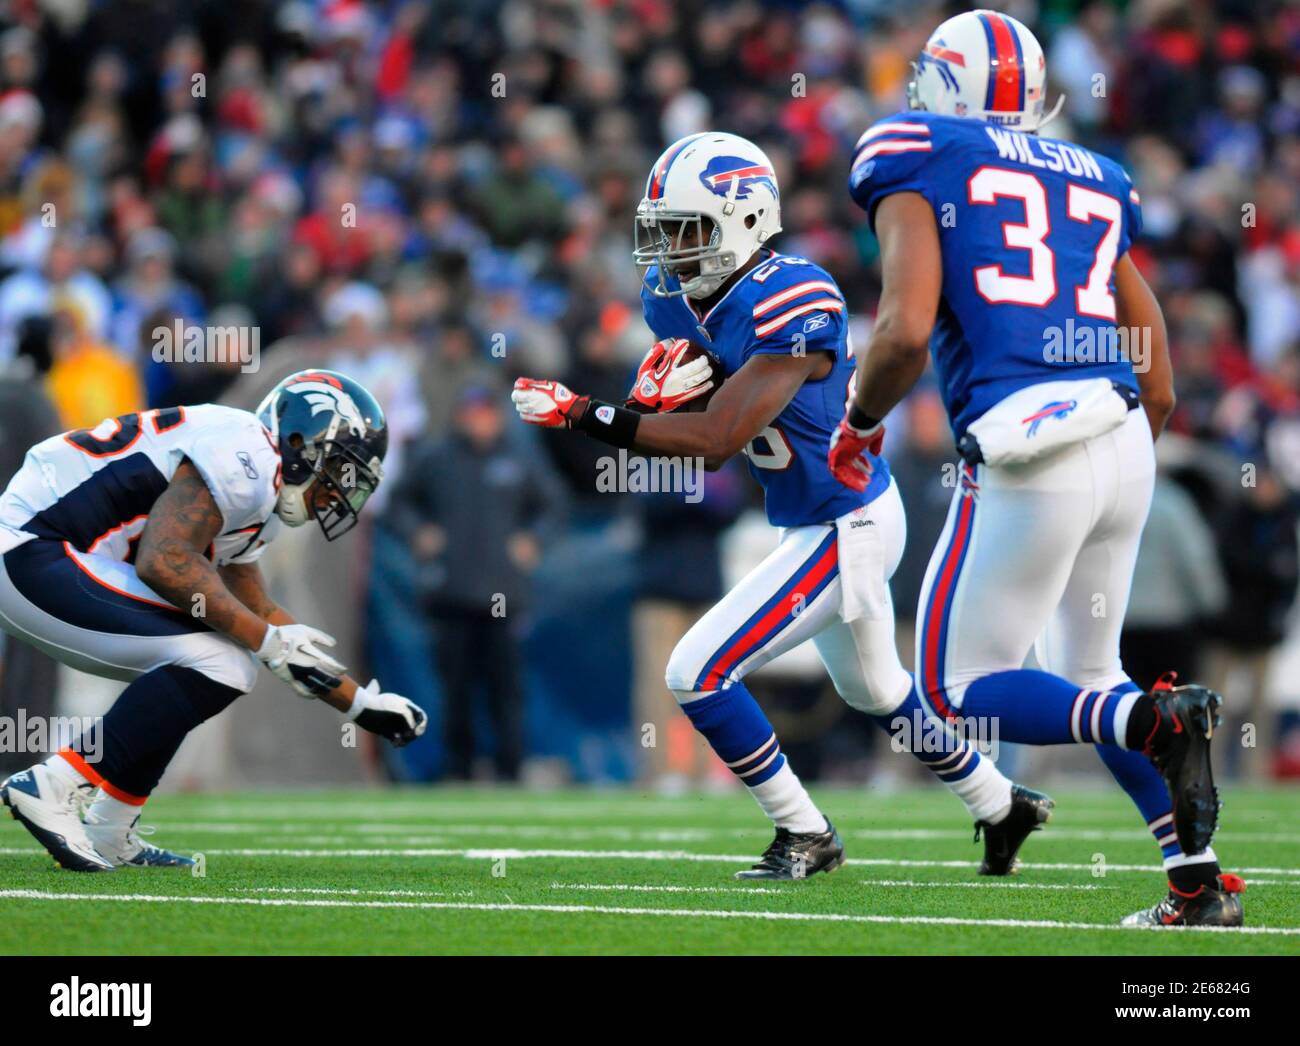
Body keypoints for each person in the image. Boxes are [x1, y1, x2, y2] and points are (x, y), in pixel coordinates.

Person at [513, 132, 1049, 881]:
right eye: (663, 230)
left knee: (696, 671)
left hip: (849, 519)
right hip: (815, 516)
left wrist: (585, 413)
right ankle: (1000, 803)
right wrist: (654, 399)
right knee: (877, 689)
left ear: (743, 221)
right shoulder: (674, 298)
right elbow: (697, 406)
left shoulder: (795, 296)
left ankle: (805, 831)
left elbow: (716, 439)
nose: (671, 249)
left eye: (688, 229)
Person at [828, 9, 1241, 927]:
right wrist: (1125, 445)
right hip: (1122, 429)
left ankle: (1157, 725)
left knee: (951, 689)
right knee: (1095, 677)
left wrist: (859, 422)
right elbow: (1156, 363)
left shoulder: (914, 150)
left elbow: (898, 333)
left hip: (1027, 442)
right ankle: (1199, 885)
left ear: (938, 84)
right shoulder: (1095, 173)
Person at [0, 369, 426, 871]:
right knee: (222, 659)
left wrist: (359, 704)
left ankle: (112, 826)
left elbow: (257, 610)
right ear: (300, 442)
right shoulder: (248, 456)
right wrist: (266, 643)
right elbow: (164, 562)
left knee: (212, 657)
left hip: (50, 557)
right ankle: (55, 781)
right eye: (342, 469)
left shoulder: (255, 481)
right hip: (34, 550)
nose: (339, 491)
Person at [387, 384, 564, 781]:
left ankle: (510, 768)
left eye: (485, 413)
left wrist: (534, 539)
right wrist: (418, 532)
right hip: (452, 593)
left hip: (505, 594)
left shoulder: (519, 458)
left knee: (507, 688)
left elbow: (554, 505)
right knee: (455, 688)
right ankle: (459, 768)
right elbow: (398, 503)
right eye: (472, 413)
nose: (479, 421)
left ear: (497, 416)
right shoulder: (436, 458)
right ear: (460, 416)